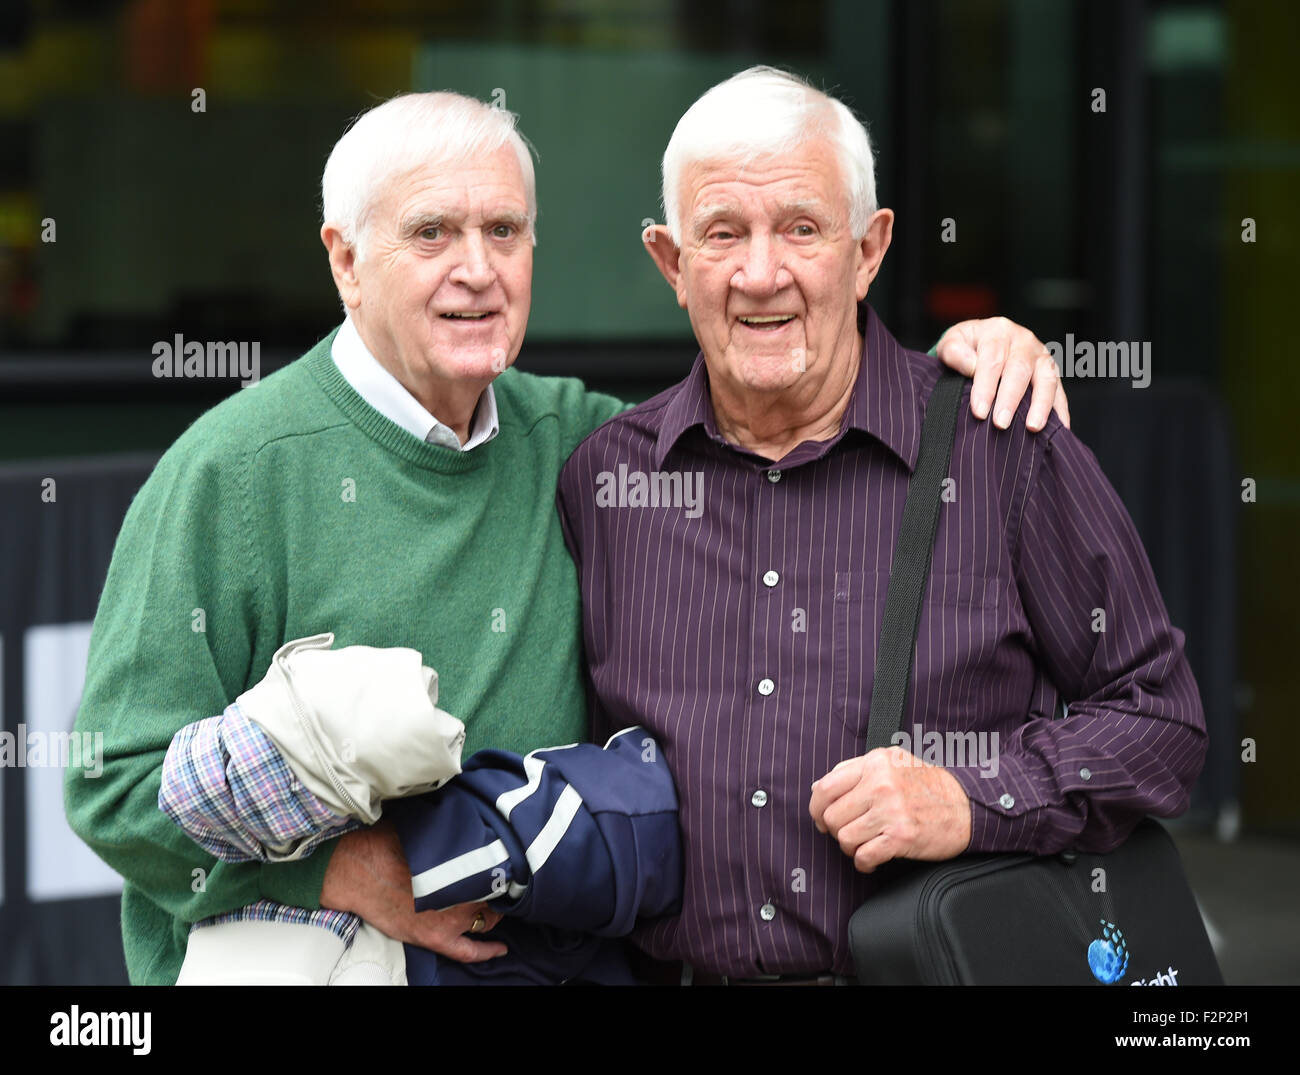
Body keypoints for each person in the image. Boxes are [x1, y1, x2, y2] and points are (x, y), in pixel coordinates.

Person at [66, 88, 1068, 986]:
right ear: (344, 259)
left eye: (504, 230)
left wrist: (956, 369)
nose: (477, 269)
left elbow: (771, 396)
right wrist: (349, 871)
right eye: (432, 233)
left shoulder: (585, 444)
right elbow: (111, 784)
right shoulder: (232, 470)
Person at [555, 66, 1207, 983]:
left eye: (802, 228)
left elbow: (1162, 720)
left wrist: (971, 797)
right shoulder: (608, 481)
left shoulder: (1002, 445)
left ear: (869, 250)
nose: (761, 273)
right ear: (671, 263)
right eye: (723, 233)